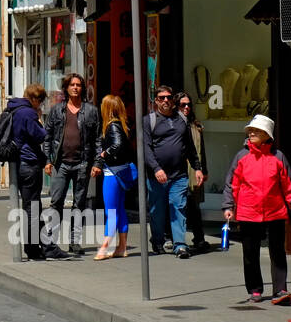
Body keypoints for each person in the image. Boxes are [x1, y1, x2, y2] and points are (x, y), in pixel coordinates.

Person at [223, 114, 291, 304]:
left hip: (275, 211)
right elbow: (231, 184)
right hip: (248, 211)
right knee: (250, 253)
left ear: (267, 135)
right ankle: (255, 289)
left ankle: (280, 289)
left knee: (278, 251)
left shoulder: (278, 157)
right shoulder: (242, 156)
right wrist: (228, 206)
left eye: (256, 131)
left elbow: (288, 185)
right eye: (250, 130)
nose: (251, 133)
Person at [7, 83, 70, 261]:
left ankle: (38, 247)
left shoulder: (13, 109)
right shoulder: (27, 113)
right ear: (34, 99)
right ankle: (40, 247)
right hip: (28, 164)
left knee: (31, 207)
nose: (41, 105)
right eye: (40, 101)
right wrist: (39, 120)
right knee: (33, 208)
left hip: (19, 164)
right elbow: (40, 135)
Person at [42, 73, 101, 256]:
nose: (75, 87)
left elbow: (98, 139)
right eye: (72, 85)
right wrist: (47, 160)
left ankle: (74, 242)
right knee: (56, 202)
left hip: (82, 163)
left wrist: (97, 162)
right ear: (66, 88)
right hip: (61, 164)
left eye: (78, 85)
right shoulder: (57, 110)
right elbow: (47, 136)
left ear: (82, 88)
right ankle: (51, 241)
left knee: (79, 204)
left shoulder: (91, 111)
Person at [143, 85, 205, 258]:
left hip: (179, 175)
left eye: (168, 97)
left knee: (178, 207)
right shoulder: (149, 121)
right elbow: (146, 149)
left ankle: (180, 245)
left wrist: (197, 168)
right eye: (161, 98)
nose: (165, 101)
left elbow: (190, 147)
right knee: (158, 212)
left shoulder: (181, 120)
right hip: (157, 176)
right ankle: (157, 241)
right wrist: (156, 169)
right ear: (156, 101)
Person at [90, 94, 136, 259]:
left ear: (107, 108)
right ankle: (122, 247)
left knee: (111, 211)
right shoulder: (121, 125)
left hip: (113, 173)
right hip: (121, 171)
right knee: (120, 209)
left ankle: (104, 247)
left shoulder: (112, 126)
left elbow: (117, 145)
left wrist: (104, 153)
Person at [176, 91, 212, 252]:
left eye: (189, 104)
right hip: (178, 171)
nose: (186, 107)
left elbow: (201, 150)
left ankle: (199, 238)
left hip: (194, 171)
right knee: (178, 205)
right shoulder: (173, 124)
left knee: (194, 205)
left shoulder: (195, 126)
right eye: (183, 104)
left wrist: (204, 169)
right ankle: (175, 240)